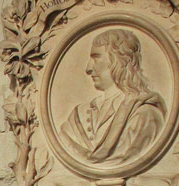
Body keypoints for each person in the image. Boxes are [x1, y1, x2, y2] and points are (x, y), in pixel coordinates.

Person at [59, 28, 166, 166]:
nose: (88, 68)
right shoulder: (77, 116)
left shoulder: (145, 115)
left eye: (96, 58)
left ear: (119, 60)